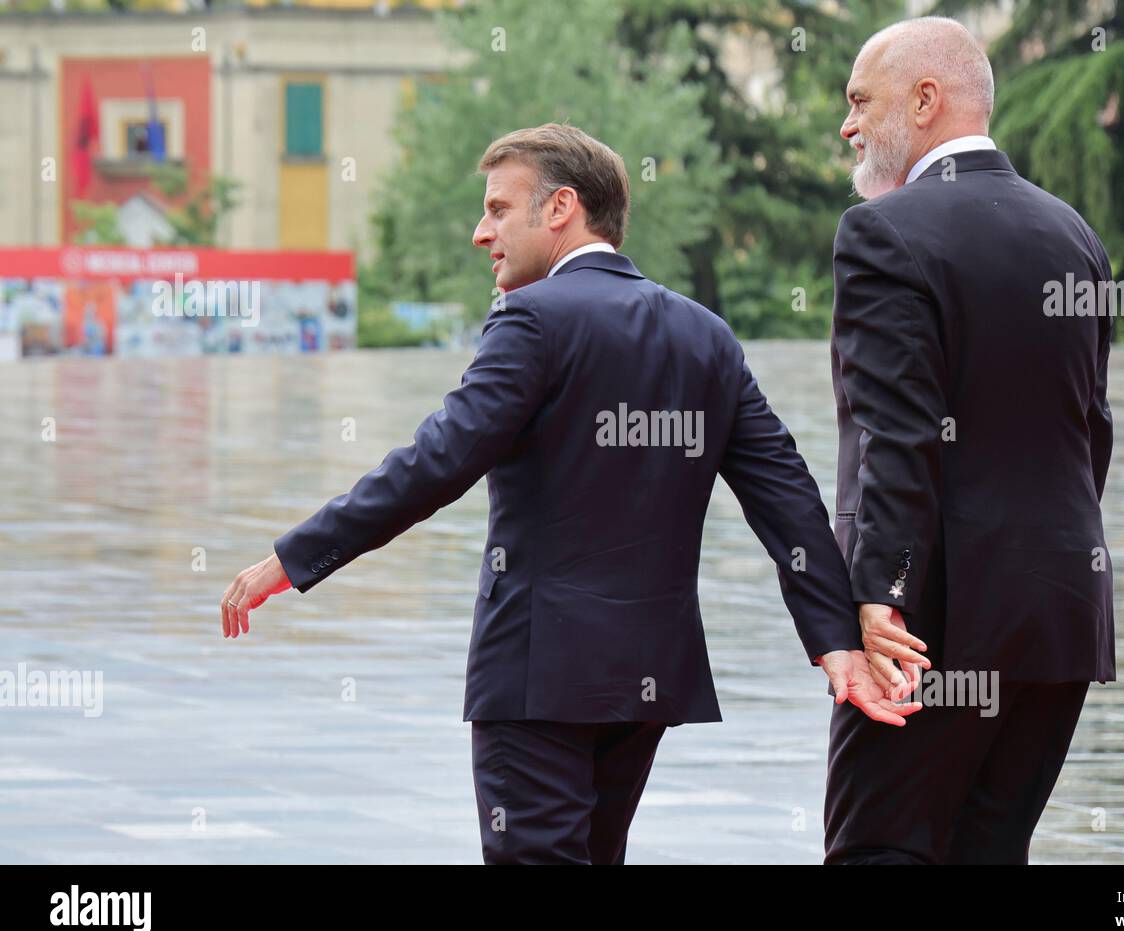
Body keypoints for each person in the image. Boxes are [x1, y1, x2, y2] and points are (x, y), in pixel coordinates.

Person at [220, 123, 916, 865]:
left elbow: (435, 462)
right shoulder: (705, 335)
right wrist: (834, 638)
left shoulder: (533, 320)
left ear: (560, 210)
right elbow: (784, 492)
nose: (479, 232)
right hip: (647, 679)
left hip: (538, 676)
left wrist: (291, 558)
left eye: (497, 208)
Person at [825, 17, 1116, 864]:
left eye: (859, 101)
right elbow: (1090, 431)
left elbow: (897, 434)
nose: (847, 126)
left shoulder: (883, 233)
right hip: (1060, 618)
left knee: (879, 849)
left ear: (925, 100)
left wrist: (880, 590)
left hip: (930, 629)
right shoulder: (1075, 235)